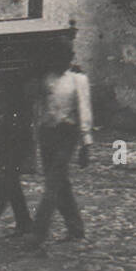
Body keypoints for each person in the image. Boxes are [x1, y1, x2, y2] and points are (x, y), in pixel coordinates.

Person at [27, 39, 93, 248]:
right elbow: (37, 106)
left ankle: (38, 234)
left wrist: (86, 143)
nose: (64, 62)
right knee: (59, 182)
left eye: (67, 58)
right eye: (59, 58)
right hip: (47, 133)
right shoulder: (45, 79)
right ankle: (76, 228)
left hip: (67, 133)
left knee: (53, 183)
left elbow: (84, 109)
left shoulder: (77, 80)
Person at [0, 68, 35, 240]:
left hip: (16, 132)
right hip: (2, 132)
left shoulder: (18, 79)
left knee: (7, 178)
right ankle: (24, 221)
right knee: (9, 179)